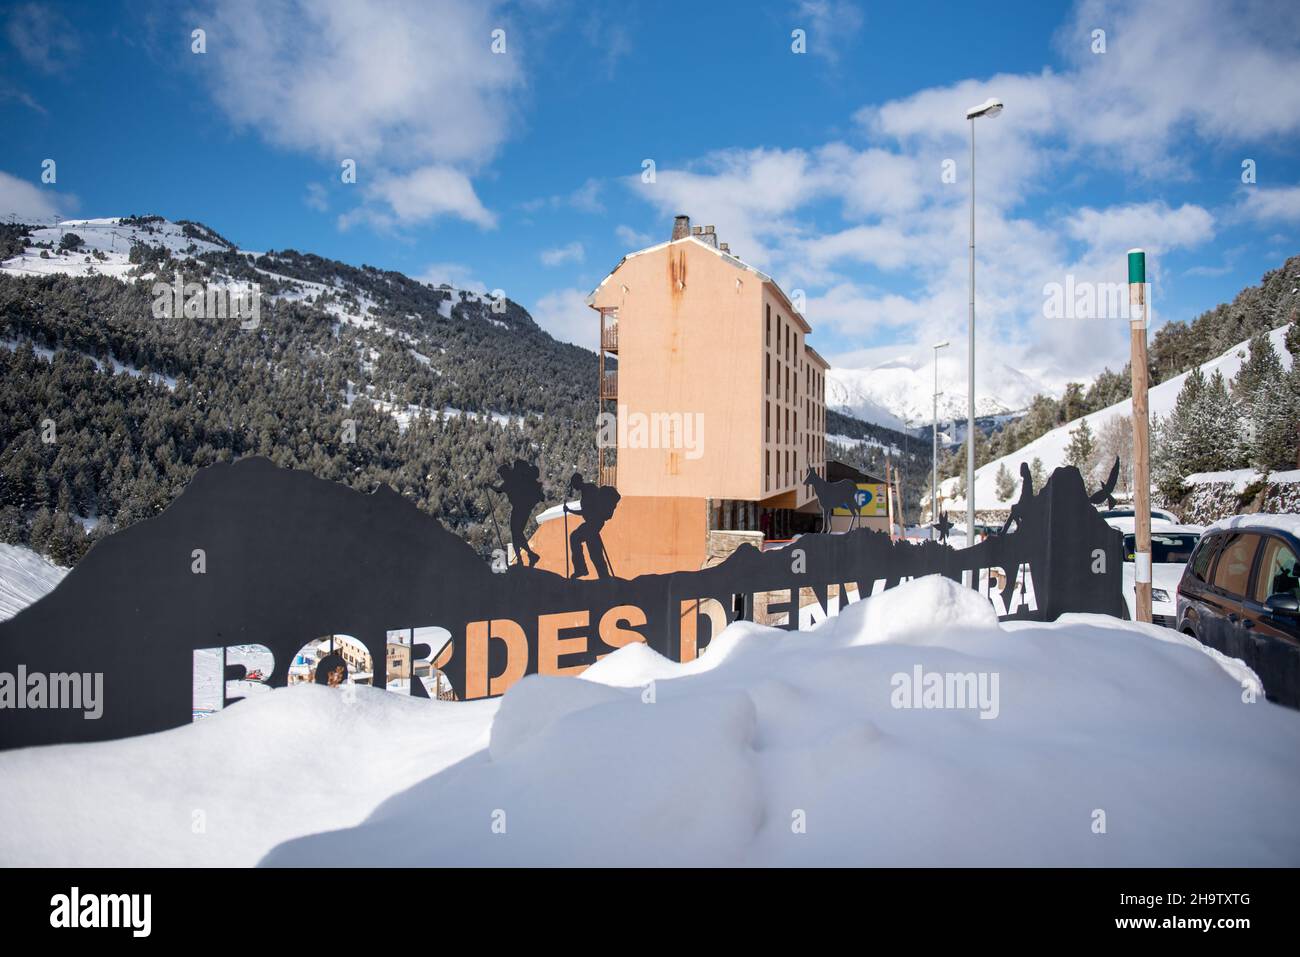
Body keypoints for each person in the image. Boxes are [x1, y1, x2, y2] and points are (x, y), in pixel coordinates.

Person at [563, 472, 620, 578]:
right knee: (593, 549)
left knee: (580, 541)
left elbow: (587, 511)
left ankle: (584, 570)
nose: (573, 487)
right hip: (592, 524)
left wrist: (570, 510)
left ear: (578, 481)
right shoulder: (587, 490)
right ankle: (600, 575)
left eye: (574, 483)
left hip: (594, 524)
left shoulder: (589, 490)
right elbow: (586, 511)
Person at [492, 460, 543, 566]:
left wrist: (488, 486)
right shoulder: (510, 481)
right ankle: (527, 556)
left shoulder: (513, 479)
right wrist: (489, 486)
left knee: (516, 534)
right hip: (522, 510)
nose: (501, 476)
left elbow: (498, 490)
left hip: (520, 510)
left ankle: (525, 557)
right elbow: (498, 490)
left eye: (502, 474)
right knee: (516, 534)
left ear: (505, 472)